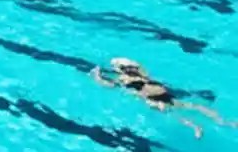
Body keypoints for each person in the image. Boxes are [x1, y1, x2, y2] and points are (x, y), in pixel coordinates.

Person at [92, 58, 235, 138]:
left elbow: (109, 84)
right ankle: (217, 123)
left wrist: (96, 75)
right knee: (189, 108)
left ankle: (204, 125)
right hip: (157, 94)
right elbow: (134, 68)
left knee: (178, 112)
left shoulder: (127, 78)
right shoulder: (140, 75)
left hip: (154, 96)